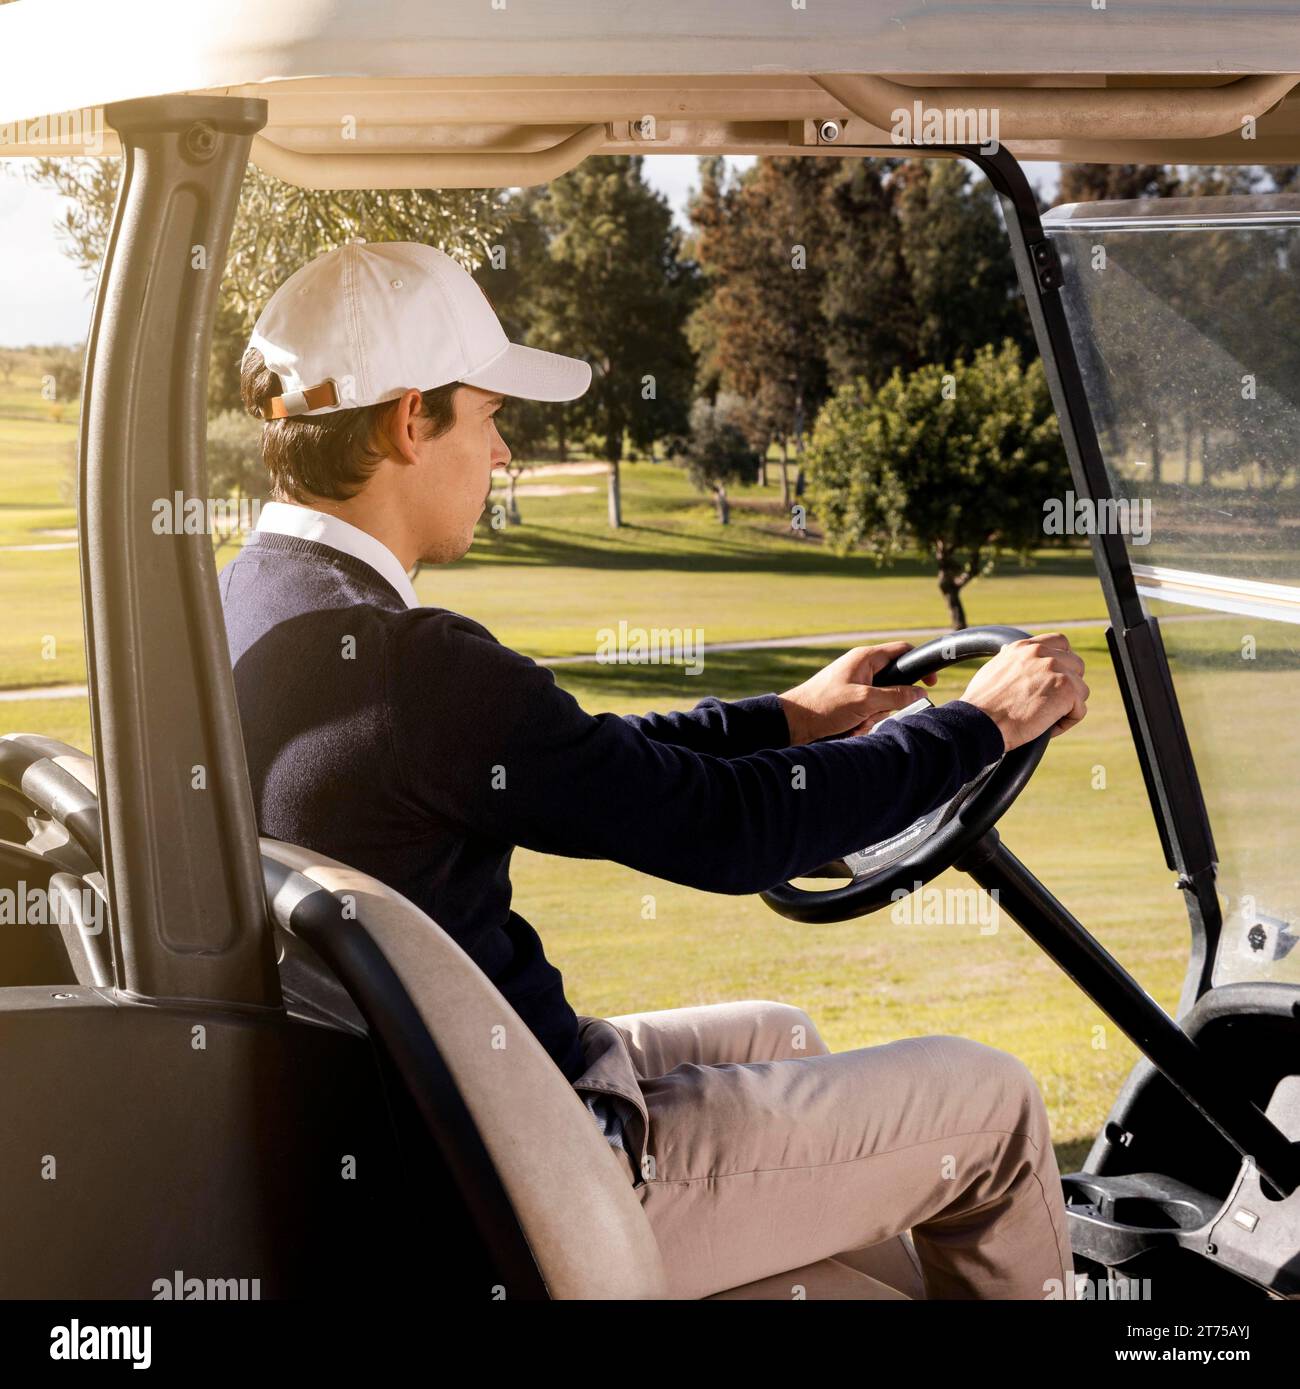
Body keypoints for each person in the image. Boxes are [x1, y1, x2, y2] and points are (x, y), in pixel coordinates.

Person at [219, 239, 1089, 1300]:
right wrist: (978, 727)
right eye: (492, 419)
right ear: (412, 420)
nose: (503, 459)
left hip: (451, 1117)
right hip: (538, 1180)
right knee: (990, 1105)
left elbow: (585, 756)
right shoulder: (411, 668)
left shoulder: (254, 608)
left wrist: (787, 717)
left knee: (781, 1033)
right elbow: (731, 832)